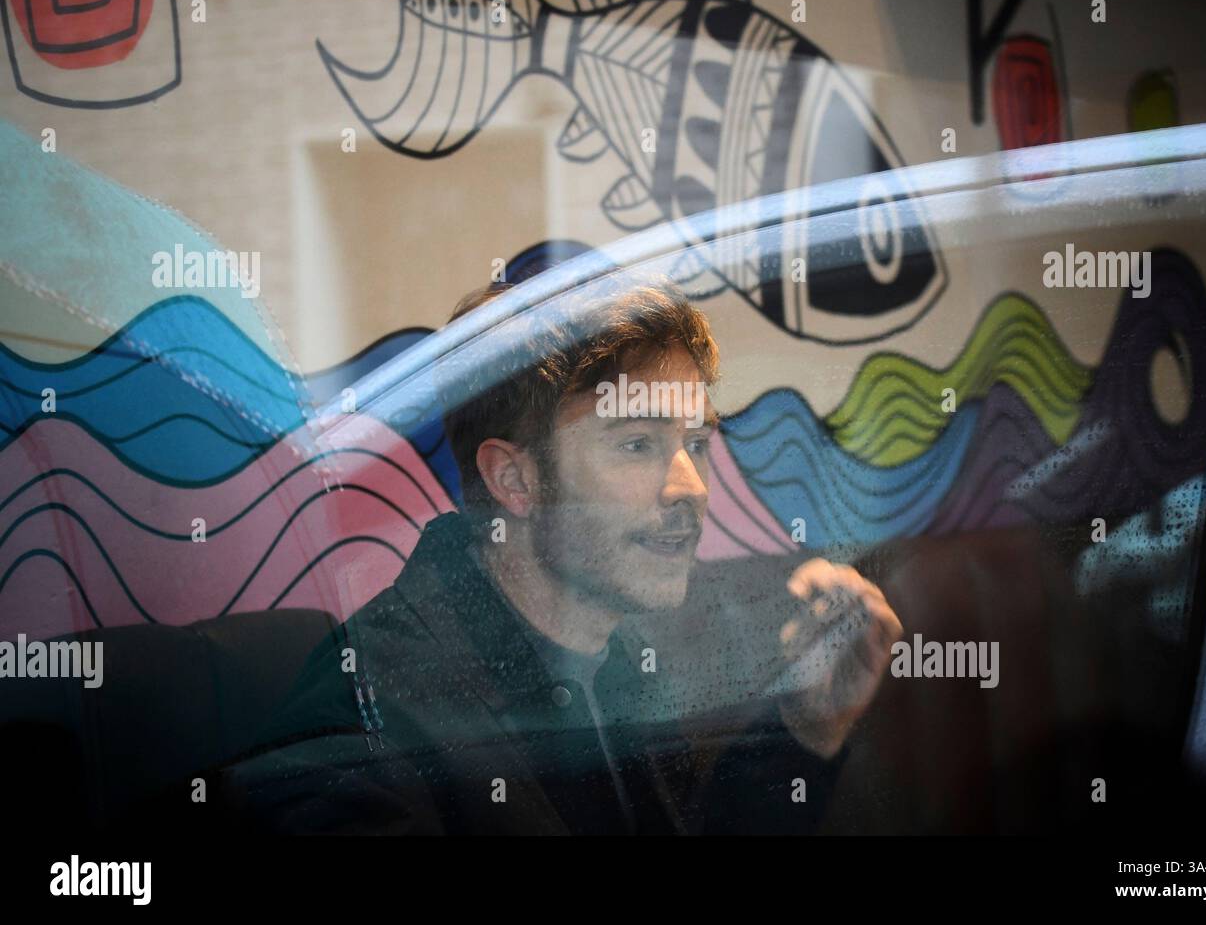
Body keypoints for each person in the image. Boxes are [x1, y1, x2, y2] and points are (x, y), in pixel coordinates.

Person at [218, 274, 902, 834]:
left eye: (695, 444)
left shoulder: (620, 661)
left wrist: (803, 728)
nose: (692, 487)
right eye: (637, 444)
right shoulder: (371, 711)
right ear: (516, 480)